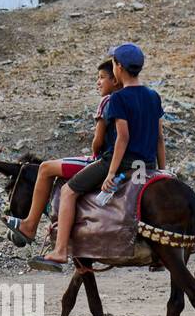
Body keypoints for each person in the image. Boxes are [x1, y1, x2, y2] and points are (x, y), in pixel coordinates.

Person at [29, 42, 165, 271]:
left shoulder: (118, 99)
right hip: (148, 164)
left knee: (68, 191)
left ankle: (60, 251)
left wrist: (111, 172)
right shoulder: (153, 96)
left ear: (118, 67)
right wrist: (161, 170)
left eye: (113, 64)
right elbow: (160, 139)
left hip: (122, 161)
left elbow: (122, 138)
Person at [3, 58, 121, 246]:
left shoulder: (107, 101)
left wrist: (96, 152)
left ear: (116, 80)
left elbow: (98, 142)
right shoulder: (134, 99)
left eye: (101, 78)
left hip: (103, 160)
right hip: (133, 161)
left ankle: (30, 225)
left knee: (46, 168)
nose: (98, 82)